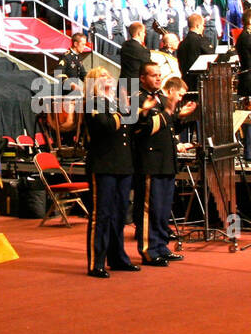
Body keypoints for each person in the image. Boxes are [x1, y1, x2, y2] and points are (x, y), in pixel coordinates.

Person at [131, 65, 196, 266]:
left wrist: (179, 116)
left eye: (160, 75)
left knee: (163, 208)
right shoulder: (139, 99)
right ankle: (149, 250)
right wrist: (169, 112)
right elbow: (145, 128)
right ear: (143, 78)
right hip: (150, 161)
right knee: (150, 208)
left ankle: (161, 246)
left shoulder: (159, 97)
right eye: (154, 75)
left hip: (165, 159)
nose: (158, 78)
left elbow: (167, 126)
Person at [81, 68, 140, 278]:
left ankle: (118, 258)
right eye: (102, 76)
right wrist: (126, 111)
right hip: (103, 164)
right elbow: (105, 125)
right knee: (101, 215)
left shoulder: (117, 103)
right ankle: (96, 262)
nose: (108, 78)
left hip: (123, 164)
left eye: (109, 75)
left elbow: (131, 129)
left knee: (119, 214)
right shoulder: (92, 102)